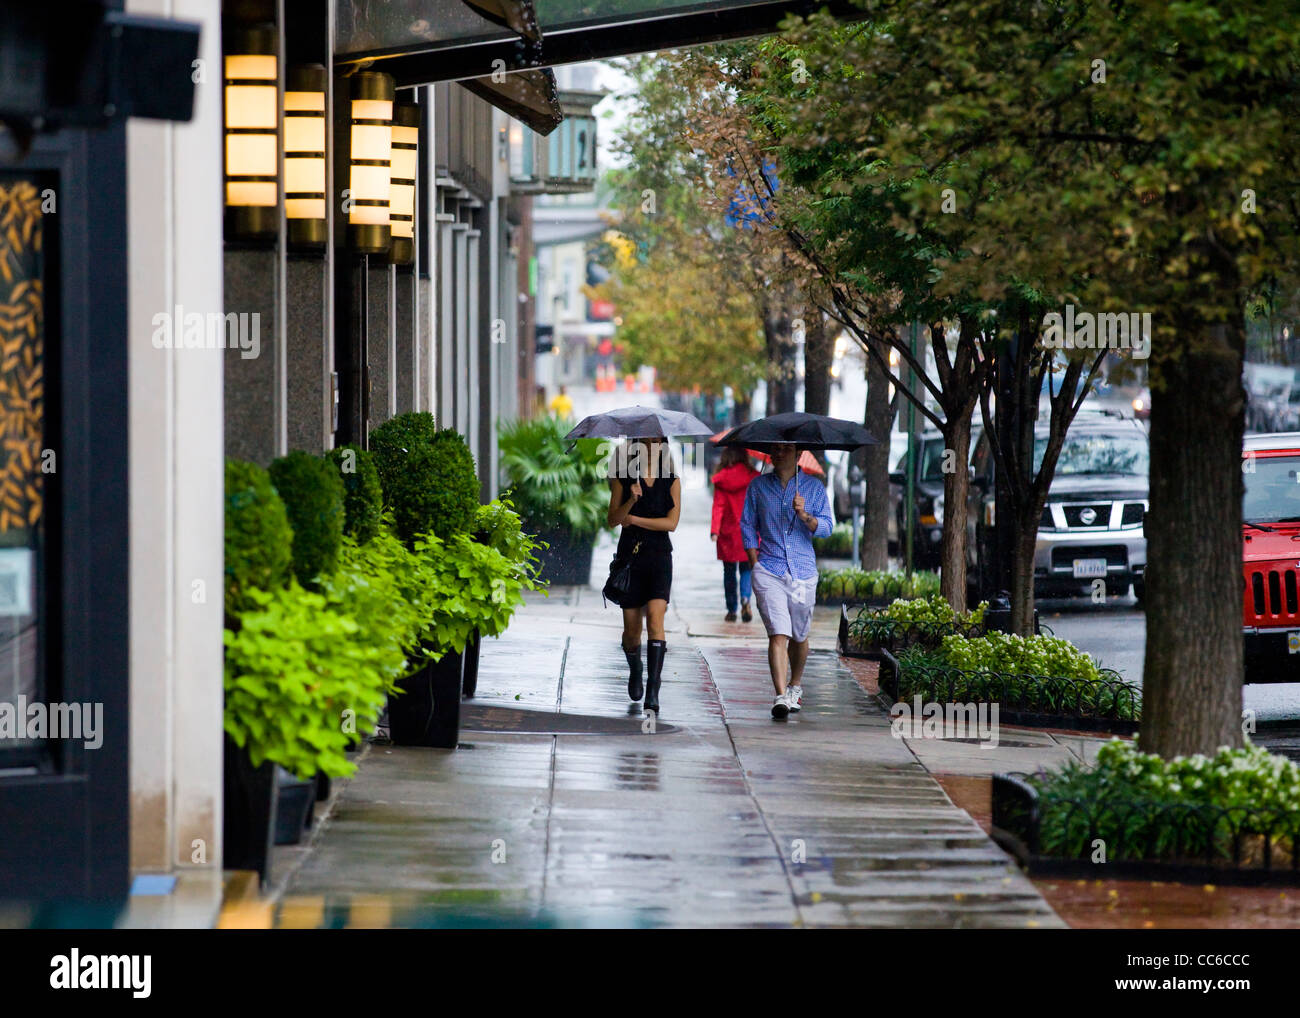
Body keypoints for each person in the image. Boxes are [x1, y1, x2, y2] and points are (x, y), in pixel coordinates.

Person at [740, 443, 833, 719]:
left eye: (784, 449)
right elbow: (747, 523)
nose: (778, 454)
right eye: (774, 450)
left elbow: (828, 527)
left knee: (800, 635)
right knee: (778, 633)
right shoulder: (758, 487)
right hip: (770, 570)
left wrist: (805, 516)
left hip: (803, 572)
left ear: (798, 454)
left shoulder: (814, 488)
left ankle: (795, 685)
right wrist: (753, 561)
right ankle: (780, 695)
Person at [607, 438, 681, 715]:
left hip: (659, 557)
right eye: (644, 442)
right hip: (630, 558)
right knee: (631, 631)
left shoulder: (671, 480)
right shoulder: (622, 478)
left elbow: (671, 523)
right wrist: (631, 501)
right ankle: (636, 666)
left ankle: (653, 688)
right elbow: (613, 519)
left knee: (656, 617)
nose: (651, 446)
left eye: (656, 441)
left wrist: (635, 519)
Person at [710, 446, 760, 622]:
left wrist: (715, 530)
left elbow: (719, 506)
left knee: (729, 571)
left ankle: (732, 608)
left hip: (728, 532)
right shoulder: (753, 477)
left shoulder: (722, 479)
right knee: (746, 567)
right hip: (749, 530)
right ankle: (746, 597)